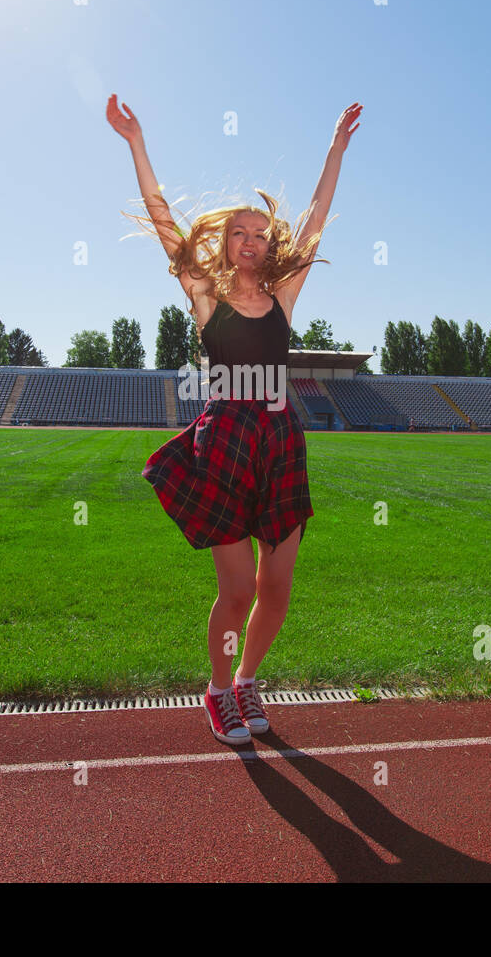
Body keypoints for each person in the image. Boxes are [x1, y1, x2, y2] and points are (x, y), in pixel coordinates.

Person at [107, 93, 361, 746]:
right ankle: (219, 690)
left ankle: (248, 677)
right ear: (224, 243)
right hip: (224, 441)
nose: (249, 241)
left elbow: (317, 218)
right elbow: (165, 221)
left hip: (279, 441)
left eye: (258, 233)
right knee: (239, 590)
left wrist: (335, 148)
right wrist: (136, 143)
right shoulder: (204, 297)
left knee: (277, 587)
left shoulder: (284, 294)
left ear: (267, 244)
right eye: (237, 232)